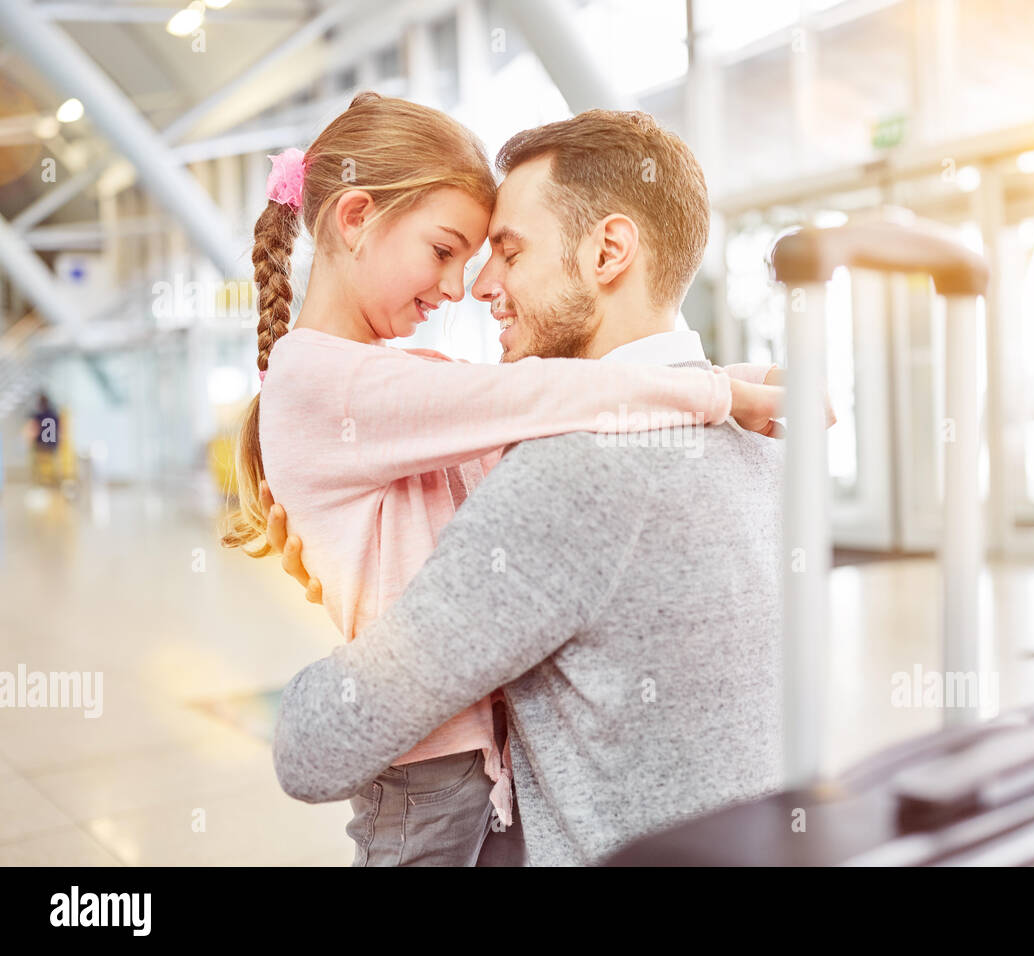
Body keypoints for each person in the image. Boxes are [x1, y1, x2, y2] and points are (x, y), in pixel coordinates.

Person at [221, 93, 786, 867]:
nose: (474, 288)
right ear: (354, 218)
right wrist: (721, 389)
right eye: (452, 251)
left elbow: (313, 749)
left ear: (607, 252)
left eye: (507, 252)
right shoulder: (766, 456)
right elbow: (519, 409)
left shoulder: (568, 477)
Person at [27, 392, 60, 487]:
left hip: (40, 445)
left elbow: (34, 430)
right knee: (50, 465)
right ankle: (50, 482)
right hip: (52, 445)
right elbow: (59, 430)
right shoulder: (54, 415)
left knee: (39, 466)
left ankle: (41, 483)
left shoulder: (38, 416)